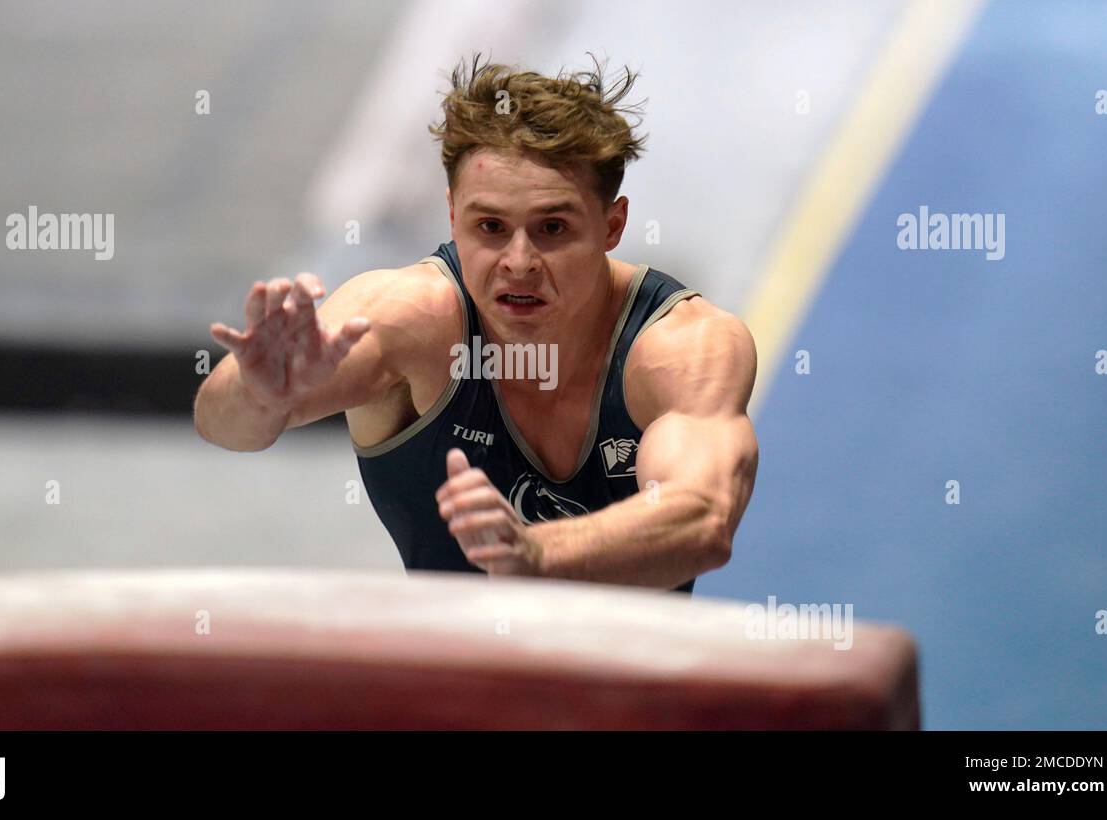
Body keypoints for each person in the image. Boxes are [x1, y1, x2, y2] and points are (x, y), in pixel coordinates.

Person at [194, 55, 759, 595]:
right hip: (461, 683)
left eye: (553, 228)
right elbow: (225, 428)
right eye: (490, 226)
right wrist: (259, 394)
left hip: (627, 686)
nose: (518, 261)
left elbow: (704, 521)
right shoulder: (408, 321)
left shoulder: (681, 347)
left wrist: (537, 555)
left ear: (613, 225)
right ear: (451, 215)